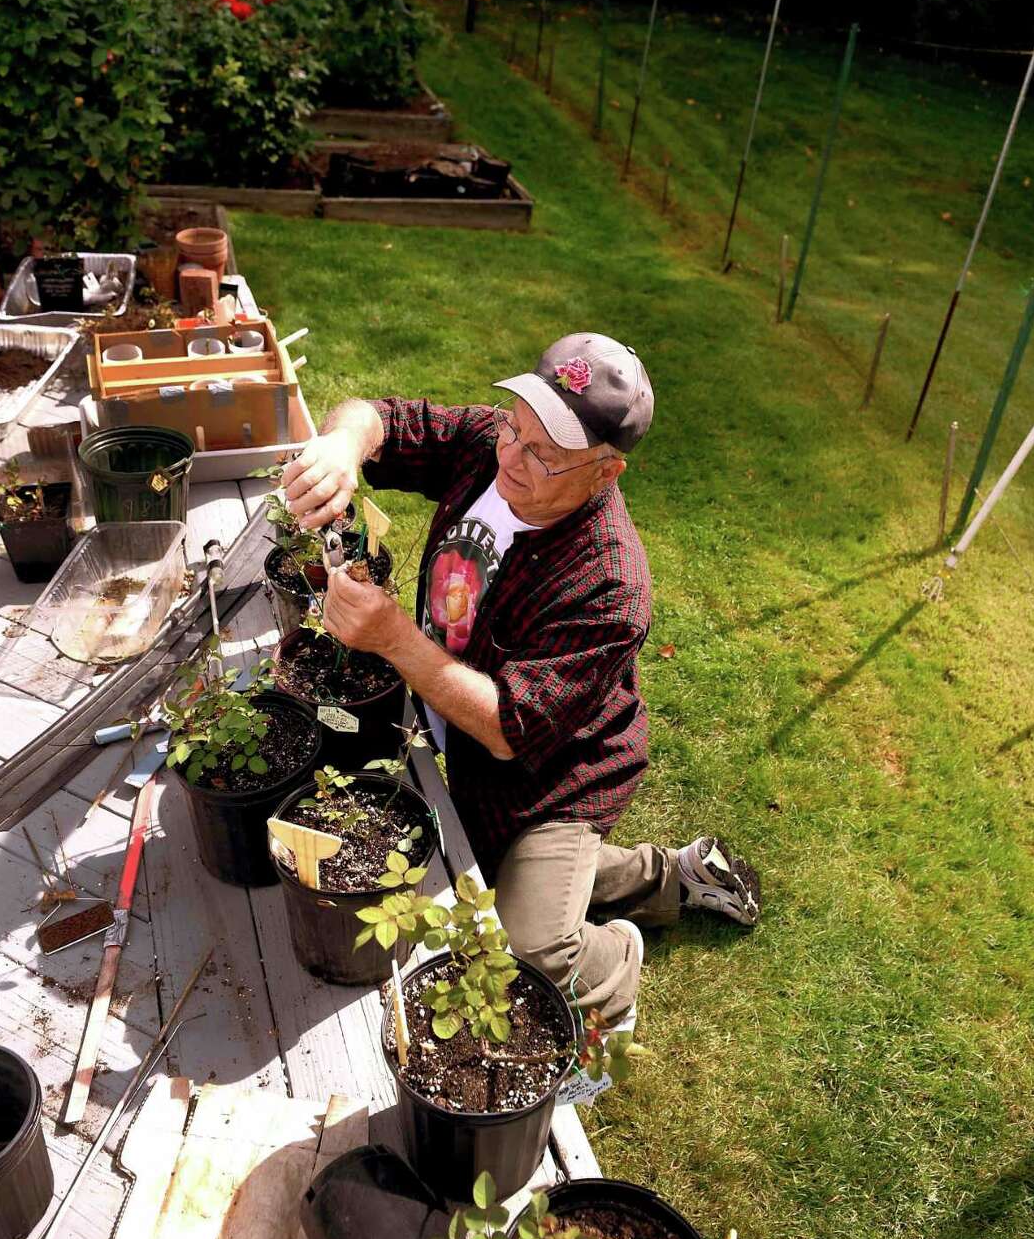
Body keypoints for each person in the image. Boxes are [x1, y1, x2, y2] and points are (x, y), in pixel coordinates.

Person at [281, 332, 760, 1024]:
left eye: (545, 453)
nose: (511, 454)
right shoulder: (494, 445)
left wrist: (391, 637)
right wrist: (340, 448)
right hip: (467, 736)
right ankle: (669, 877)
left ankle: (618, 957)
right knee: (504, 865)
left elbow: (510, 729)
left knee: (527, 948)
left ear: (606, 472)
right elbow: (378, 417)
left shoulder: (609, 584)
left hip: (551, 773)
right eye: (515, 423)